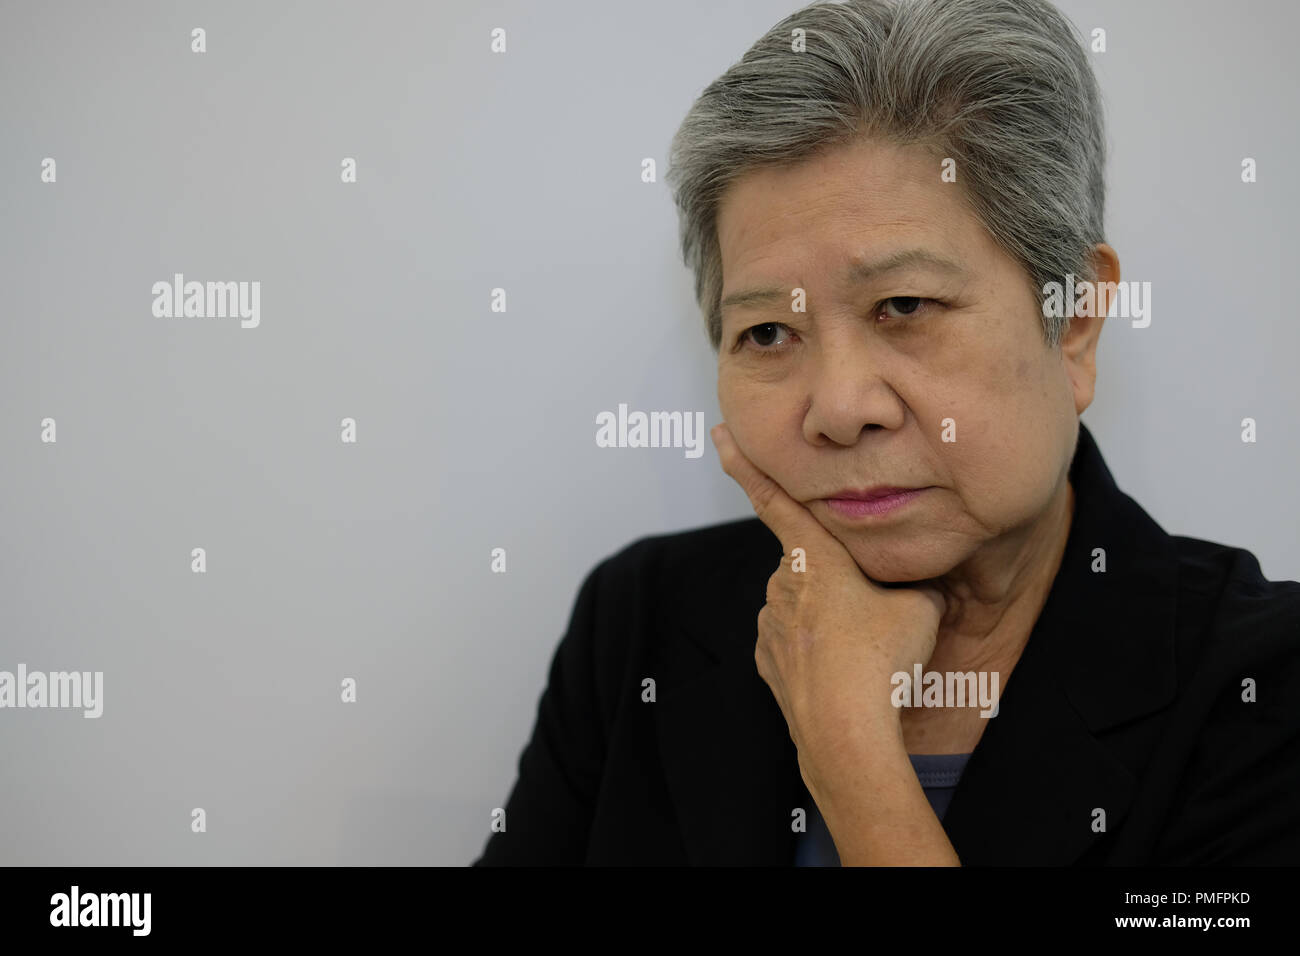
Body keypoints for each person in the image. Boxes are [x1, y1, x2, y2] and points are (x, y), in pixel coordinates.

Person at [473, 0, 1300, 865]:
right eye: (767, 334)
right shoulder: (644, 618)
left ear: (1076, 320)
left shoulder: (1261, 685)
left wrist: (848, 753)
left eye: (904, 306)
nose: (838, 407)